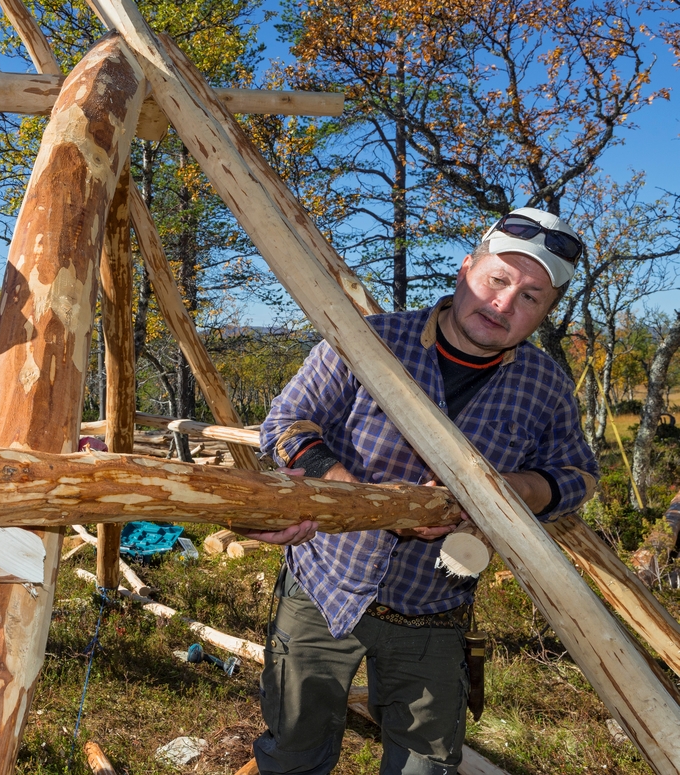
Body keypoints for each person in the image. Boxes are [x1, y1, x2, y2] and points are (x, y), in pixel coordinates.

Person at [251, 208, 599, 775]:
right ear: (467, 269)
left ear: (547, 311)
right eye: (498, 280)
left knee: (424, 765)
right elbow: (288, 422)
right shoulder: (370, 341)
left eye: (532, 297)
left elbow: (578, 475)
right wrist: (351, 496)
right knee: (294, 747)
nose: (505, 305)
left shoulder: (546, 386)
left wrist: (510, 491)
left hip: (433, 609)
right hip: (324, 584)